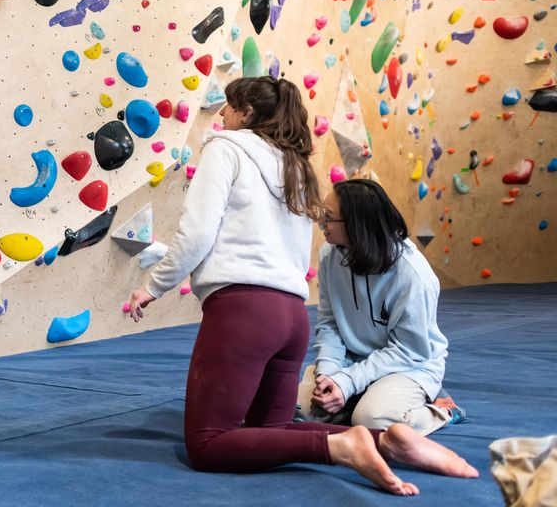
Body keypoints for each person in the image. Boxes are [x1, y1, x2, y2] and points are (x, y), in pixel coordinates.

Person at [125, 76, 478, 495]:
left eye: (229, 106)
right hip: (291, 318)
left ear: (247, 114)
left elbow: (197, 233)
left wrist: (154, 285)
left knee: (207, 443)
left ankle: (342, 445)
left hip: (244, 315)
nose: (221, 114)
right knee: (268, 430)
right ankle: (380, 443)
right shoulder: (295, 164)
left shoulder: (225, 148)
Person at [299, 178, 462, 435]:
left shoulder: (413, 276)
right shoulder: (329, 256)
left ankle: (441, 409)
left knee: (372, 419)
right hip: (353, 361)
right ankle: (353, 400)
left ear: (356, 226)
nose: (322, 225)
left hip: (409, 365)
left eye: (329, 218)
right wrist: (328, 373)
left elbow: (409, 351)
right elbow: (330, 323)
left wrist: (348, 381)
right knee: (299, 411)